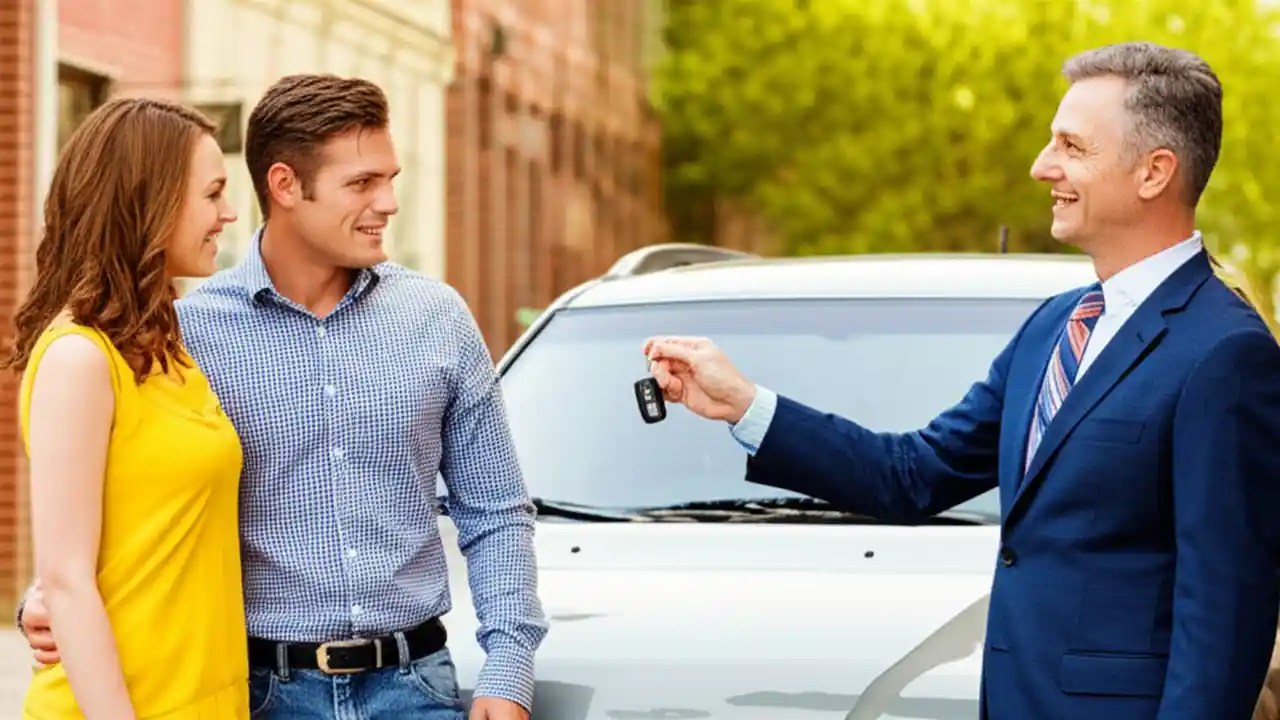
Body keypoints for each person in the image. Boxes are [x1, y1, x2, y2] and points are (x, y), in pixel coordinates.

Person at [644, 41, 1280, 720]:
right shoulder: (1053, 327)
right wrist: (745, 405)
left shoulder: (1227, 354)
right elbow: (912, 473)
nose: (1043, 167)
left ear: (1154, 172)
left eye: (1072, 146)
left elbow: (1223, 613)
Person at [18, 74, 546, 720]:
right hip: (263, 693)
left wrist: (509, 665)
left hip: (415, 688)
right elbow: (129, 507)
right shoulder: (179, 336)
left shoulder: (437, 320)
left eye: (390, 178)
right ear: (286, 186)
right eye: (362, 183)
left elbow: (495, 510)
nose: (389, 202)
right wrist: (45, 596)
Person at [3, 97, 244, 717]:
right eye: (213, 193)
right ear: (151, 201)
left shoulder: (171, 351)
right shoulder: (79, 360)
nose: (230, 213)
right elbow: (66, 578)